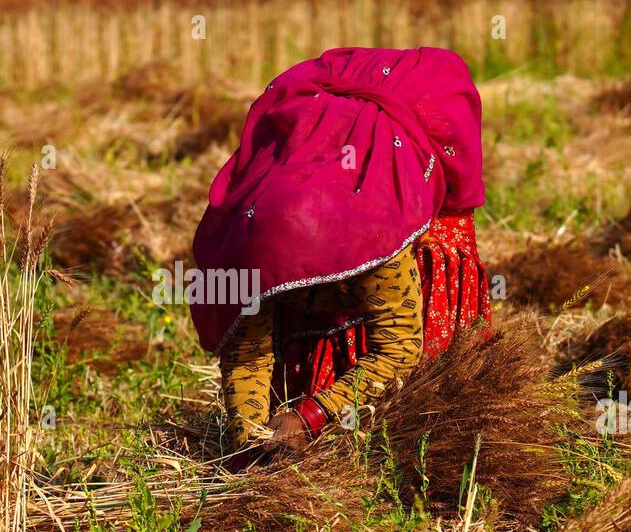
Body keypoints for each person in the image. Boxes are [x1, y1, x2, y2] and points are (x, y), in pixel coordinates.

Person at [190, 47, 490, 457]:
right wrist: (249, 442)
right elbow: (247, 353)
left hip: (409, 124)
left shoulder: (376, 231)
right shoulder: (247, 239)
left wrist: (309, 416)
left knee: (427, 403)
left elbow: (401, 348)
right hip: (322, 131)